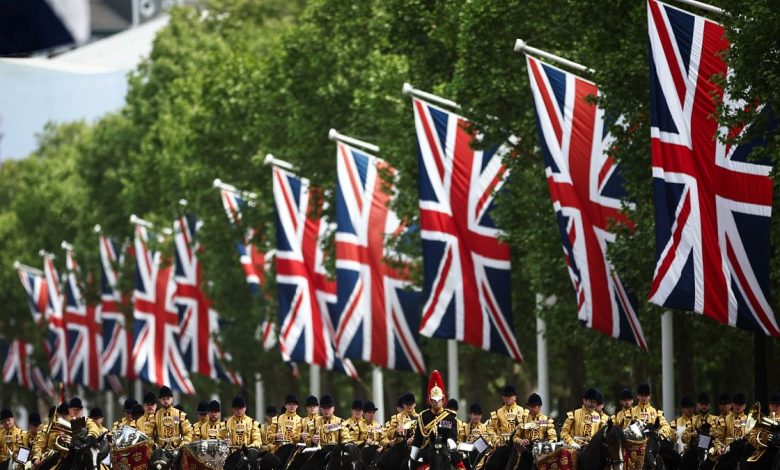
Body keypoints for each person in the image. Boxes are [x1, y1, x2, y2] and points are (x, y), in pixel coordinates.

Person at [409, 371, 459, 468]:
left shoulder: (449, 416)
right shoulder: (423, 416)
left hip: (446, 449)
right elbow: (418, 439)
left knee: (462, 464)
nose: (436, 402)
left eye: (438, 400)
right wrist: (412, 457)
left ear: (442, 400)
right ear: (430, 400)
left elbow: (453, 434)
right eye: (434, 400)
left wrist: (451, 442)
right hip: (428, 450)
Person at [269, 394, 302, 463]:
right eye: (290, 404)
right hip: (280, 450)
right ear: (285, 405)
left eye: (294, 404)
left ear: (297, 406)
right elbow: (268, 436)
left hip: (295, 451)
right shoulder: (277, 419)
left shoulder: (301, 420)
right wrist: (276, 436)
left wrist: (300, 436)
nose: (292, 406)